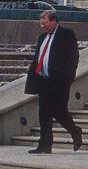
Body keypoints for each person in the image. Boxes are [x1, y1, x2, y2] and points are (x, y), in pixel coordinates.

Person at [25, 8, 82, 154]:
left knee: (59, 111)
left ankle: (75, 132)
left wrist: (68, 77)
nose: (43, 26)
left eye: (45, 23)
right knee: (43, 113)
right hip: (43, 80)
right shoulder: (42, 38)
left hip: (60, 81)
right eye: (41, 23)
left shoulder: (66, 34)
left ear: (54, 21)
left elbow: (73, 57)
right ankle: (45, 145)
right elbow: (38, 57)